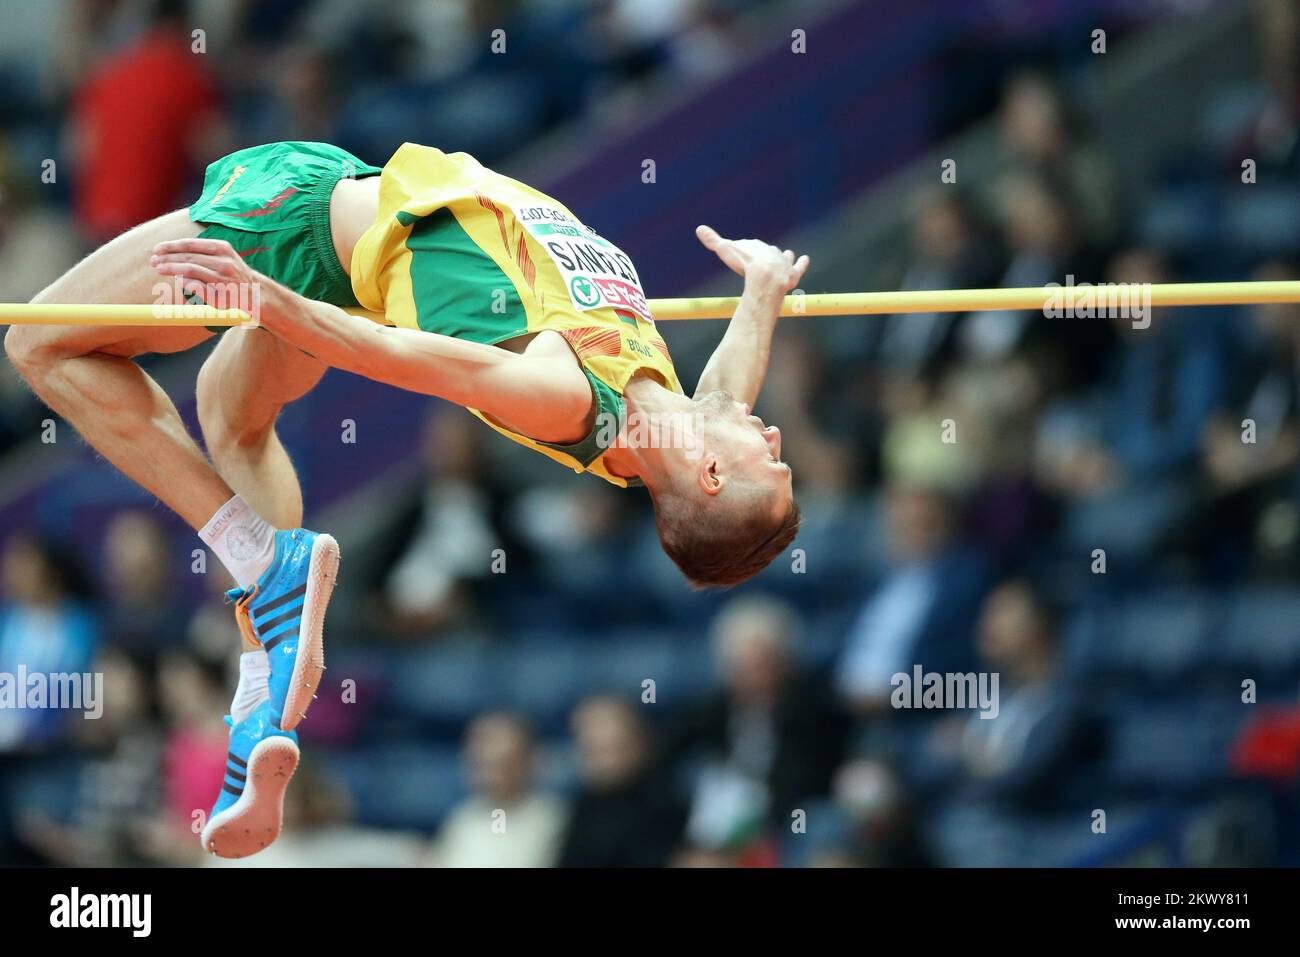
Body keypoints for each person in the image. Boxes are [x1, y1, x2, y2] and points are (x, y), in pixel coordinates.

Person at [5, 140, 806, 857]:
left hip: (301, 220)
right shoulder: (664, 429)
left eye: (772, 465)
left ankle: (261, 558)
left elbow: (398, 357)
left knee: (37, 340)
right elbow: (729, 394)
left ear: (706, 475)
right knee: (230, 417)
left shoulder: (565, 393)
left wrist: (268, 300)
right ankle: (262, 694)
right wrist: (762, 291)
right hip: (352, 266)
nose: (776, 440)